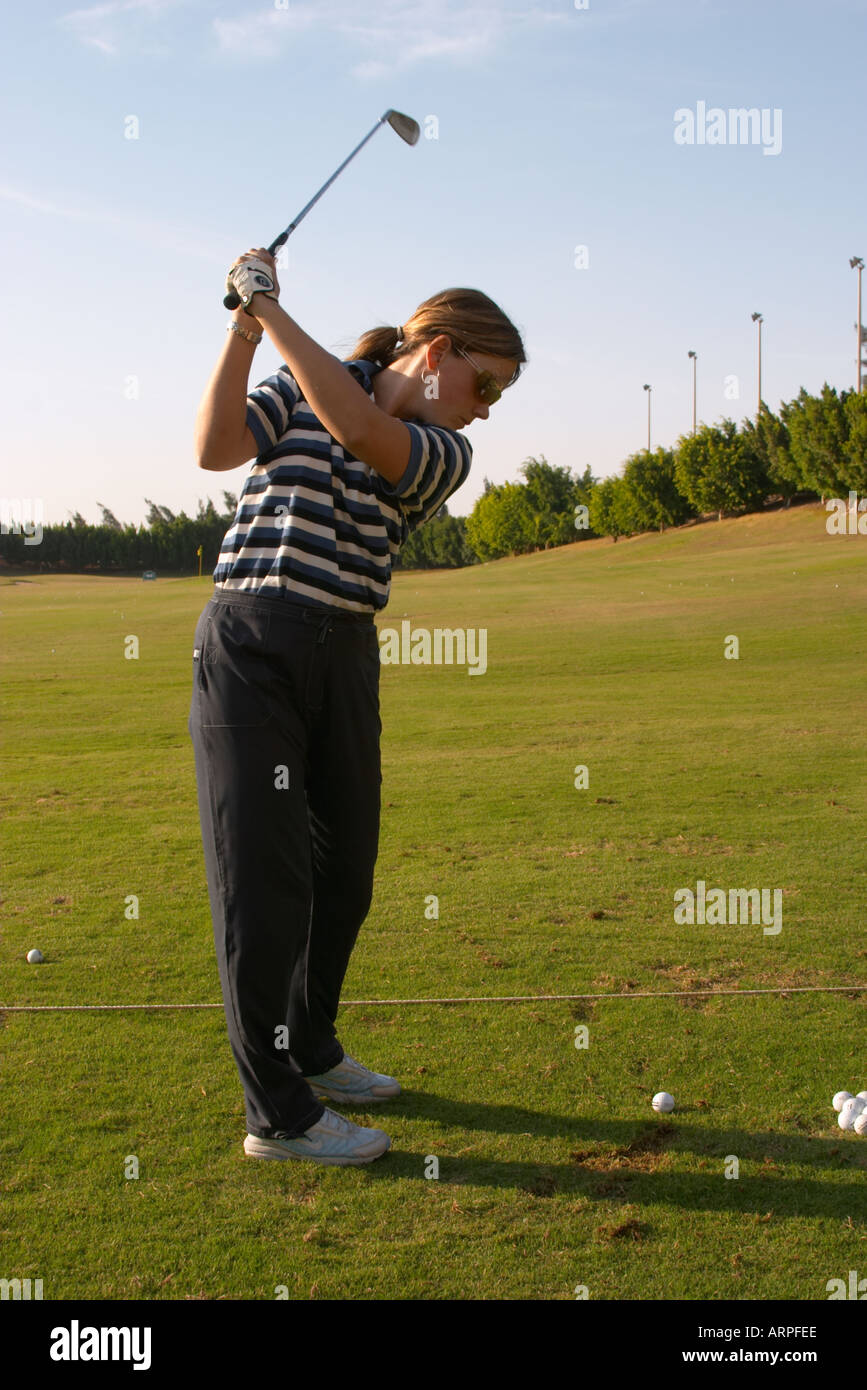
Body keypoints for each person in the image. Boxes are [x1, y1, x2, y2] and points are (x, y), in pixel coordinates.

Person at [189, 248, 526, 1166]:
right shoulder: (299, 386)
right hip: (251, 642)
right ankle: (278, 1115)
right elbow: (215, 448)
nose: (485, 408)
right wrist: (244, 327)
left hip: (342, 651)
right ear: (441, 351)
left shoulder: (443, 452)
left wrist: (275, 313)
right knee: (264, 881)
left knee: (345, 873)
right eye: (485, 385)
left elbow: (362, 432)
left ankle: (312, 1045)